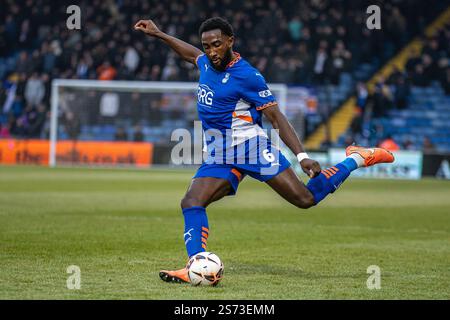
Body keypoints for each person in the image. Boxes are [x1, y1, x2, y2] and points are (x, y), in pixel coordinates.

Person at [134, 17, 395, 284]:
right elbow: (191, 54)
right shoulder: (206, 63)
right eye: (207, 46)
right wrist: (159, 34)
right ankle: (197, 265)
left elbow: (276, 117)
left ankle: (356, 158)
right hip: (221, 155)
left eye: (217, 45)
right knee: (191, 202)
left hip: (252, 150)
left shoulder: (247, 76)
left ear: (230, 42)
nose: (211, 51)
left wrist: (301, 156)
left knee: (305, 199)